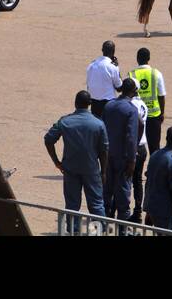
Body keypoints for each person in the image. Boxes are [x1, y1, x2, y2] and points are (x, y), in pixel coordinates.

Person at [44, 91, 108, 233]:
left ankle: (74, 231)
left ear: (75, 103)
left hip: (70, 169)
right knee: (96, 203)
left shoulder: (65, 121)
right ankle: (99, 231)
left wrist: (57, 162)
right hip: (91, 169)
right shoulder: (98, 124)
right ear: (90, 104)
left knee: (72, 204)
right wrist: (103, 171)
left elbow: (48, 139)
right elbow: (104, 150)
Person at [101, 83, 139, 222]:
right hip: (123, 158)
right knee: (123, 197)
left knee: (106, 193)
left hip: (107, 155)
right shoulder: (131, 110)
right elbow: (131, 137)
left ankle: (103, 226)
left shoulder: (109, 105)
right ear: (133, 92)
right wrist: (132, 161)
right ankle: (122, 230)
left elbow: (102, 129)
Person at [129, 48, 166, 154]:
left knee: (136, 146)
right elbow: (161, 95)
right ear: (149, 59)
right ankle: (153, 170)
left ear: (137, 59)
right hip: (154, 115)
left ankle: (135, 169)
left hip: (137, 116)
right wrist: (162, 113)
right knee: (154, 147)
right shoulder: (156, 73)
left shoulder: (132, 74)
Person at [125, 78, 149, 223]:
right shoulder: (142, 104)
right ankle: (138, 210)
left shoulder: (131, 104)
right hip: (143, 146)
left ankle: (124, 211)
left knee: (126, 179)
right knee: (138, 180)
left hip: (133, 147)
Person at [87, 40, 122, 118]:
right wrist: (117, 67)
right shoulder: (112, 66)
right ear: (113, 52)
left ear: (102, 50)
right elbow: (119, 88)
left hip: (94, 103)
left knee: (96, 126)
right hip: (108, 104)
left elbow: (88, 85)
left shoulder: (92, 64)